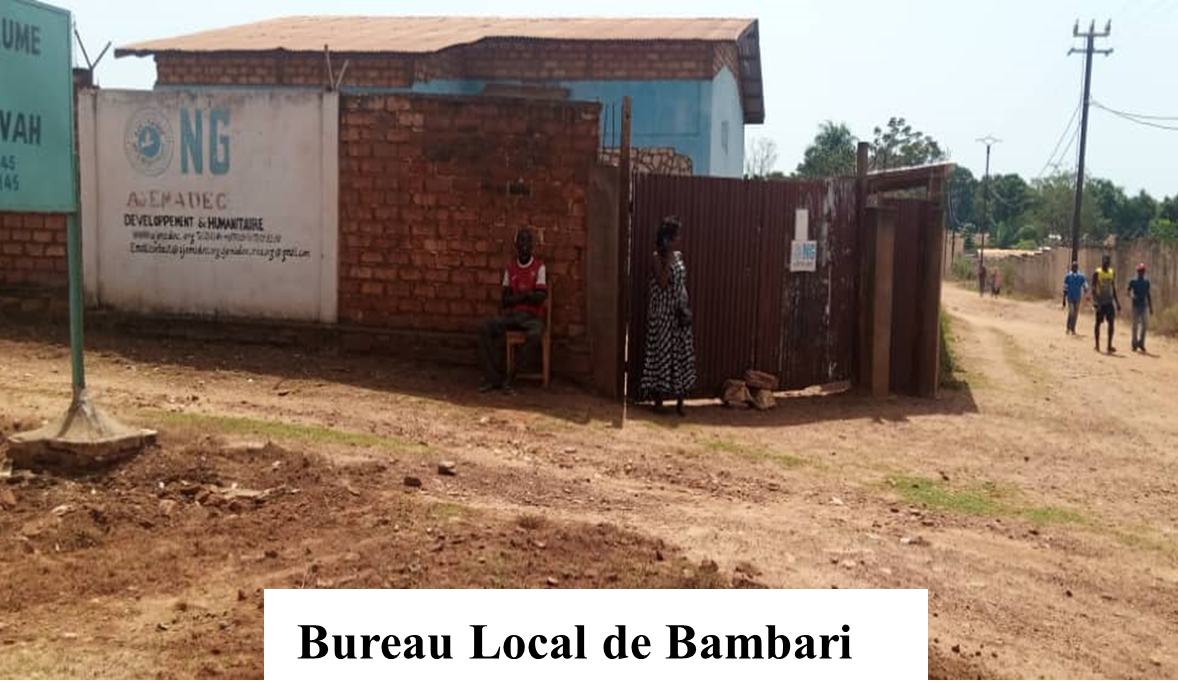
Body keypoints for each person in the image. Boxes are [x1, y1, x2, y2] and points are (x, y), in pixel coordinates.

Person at [477, 229, 547, 393]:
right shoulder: (511, 269)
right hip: (512, 316)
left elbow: (540, 297)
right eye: (521, 242)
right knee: (485, 327)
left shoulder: (539, 267)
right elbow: (505, 301)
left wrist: (518, 297)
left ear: (532, 246)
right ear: (516, 246)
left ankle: (511, 378)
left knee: (535, 335)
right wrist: (527, 295)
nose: (524, 246)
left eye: (527, 242)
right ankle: (494, 379)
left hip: (532, 318)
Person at [639, 216, 695, 416]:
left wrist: (685, 308)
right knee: (661, 356)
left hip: (678, 313)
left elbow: (681, 284)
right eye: (675, 236)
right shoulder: (658, 258)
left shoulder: (679, 256)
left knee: (680, 356)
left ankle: (680, 402)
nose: (679, 240)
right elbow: (662, 283)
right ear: (666, 239)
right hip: (662, 316)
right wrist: (668, 260)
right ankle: (659, 401)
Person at [1092, 254, 1121, 354]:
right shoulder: (1097, 272)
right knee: (1098, 323)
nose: (1107, 262)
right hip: (1100, 302)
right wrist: (1095, 301)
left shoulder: (1112, 273)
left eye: (1108, 261)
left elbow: (1113, 288)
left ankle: (1109, 345)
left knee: (1111, 323)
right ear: (1102, 261)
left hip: (1109, 301)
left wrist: (1117, 302)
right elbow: (1093, 288)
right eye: (1105, 260)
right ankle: (1097, 344)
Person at [1128, 262, 1154, 353]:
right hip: (1135, 306)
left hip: (1144, 306)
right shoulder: (1133, 281)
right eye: (1140, 271)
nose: (1141, 273)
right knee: (1135, 326)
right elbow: (1128, 291)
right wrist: (1132, 296)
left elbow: (1148, 294)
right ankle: (1134, 344)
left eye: (1142, 271)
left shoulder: (1146, 282)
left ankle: (1141, 343)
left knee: (1145, 325)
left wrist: (1151, 307)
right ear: (1137, 271)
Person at [1062, 261, 1088, 335]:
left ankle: (1073, 328)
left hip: (1077, 297)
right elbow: (1065, 288)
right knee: (1071, 311)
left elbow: (1085, 285)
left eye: (1075, 267)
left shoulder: (1081, 277)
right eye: (1073, 267)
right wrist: (1064, 298)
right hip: (1070, 297)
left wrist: (1086, 290)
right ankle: (1068, 327)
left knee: (1075, 314)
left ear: (1077, 268)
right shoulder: (1068, 276)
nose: (1074, 268)